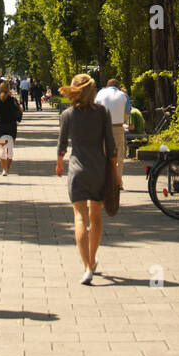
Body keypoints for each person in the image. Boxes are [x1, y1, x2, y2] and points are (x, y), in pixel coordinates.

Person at [56, 73, 117, 284]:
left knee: (80, 218)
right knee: (96, 217)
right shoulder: (102, 112)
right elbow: (111, 144)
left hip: (77, 169)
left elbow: (62, 144)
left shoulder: (67, 115)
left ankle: (87, 267)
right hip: (98, 169)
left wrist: (59, 163)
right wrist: (115, 172)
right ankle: (92, 257)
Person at [95, 78, 131, 189]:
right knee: (119, 157)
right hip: (118, 128)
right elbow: (127, 112)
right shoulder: (124, 96)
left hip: (102, 128)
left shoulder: (100, 93)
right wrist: (122, 120)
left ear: (107, 86)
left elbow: (94, 109)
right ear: (118, 87)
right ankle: (118, 182)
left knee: (103, 155)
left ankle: (103, 182)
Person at [0, 78, 23, 176]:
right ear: (8, 89)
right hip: (11, 125)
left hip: (0, 125)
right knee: (9, 148)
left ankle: (4, 169)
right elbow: (20, 110)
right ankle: (7, 168)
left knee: (1, 147)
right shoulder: (13, 100)